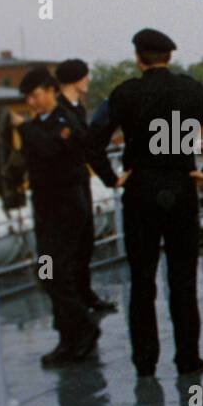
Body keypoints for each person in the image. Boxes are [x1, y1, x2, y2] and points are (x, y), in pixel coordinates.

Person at [87, 28, 203, 378]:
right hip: (180, 188)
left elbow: (91, 140)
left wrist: (110, 177)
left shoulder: (125, 93)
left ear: (138, 58)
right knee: (183, 278)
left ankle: (145, 362)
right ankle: (189, 360)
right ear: (168, 57)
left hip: (140, 191)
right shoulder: (190, 89)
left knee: (142, 281)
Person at [14, 68, 104, 366]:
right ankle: (69, 337)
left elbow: (50, 148)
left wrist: (24, 130)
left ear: (52, 91)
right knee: (49, 272)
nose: (32, 101)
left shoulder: (65, 121)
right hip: (45, 208)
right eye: (28, 97)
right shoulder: (40, 125)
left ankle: (83, 328)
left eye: (36, 94)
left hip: (67, 208)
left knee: (57, 273)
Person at [55, 58, 117, 315]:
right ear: (77, 79)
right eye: (86, 76)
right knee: (70, 247)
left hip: (80, 184)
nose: (88, 81)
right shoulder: (61, 113)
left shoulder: (75, 109)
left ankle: (85, 294)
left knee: (84, 242)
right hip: (65, 188)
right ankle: (73, 303)